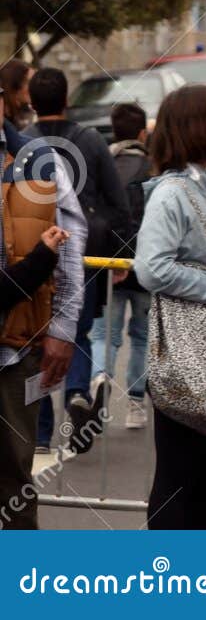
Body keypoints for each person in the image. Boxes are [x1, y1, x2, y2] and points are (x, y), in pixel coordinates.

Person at [132, 84, 206, 529]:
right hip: (187, 358)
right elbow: (151, 268)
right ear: (199, 126)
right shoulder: (172, 194)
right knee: (180, 477)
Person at [27, 68, 132, 451]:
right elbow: (118, 202)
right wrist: (119, 254)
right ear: (67, 99)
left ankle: (39, 433)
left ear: (31, 102)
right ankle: (77, 391)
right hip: (85, 252)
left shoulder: (24, 142)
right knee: (80, 330)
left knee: (35, 339)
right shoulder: (90, 139)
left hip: (34, 253)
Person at [2, 73, 86, 521]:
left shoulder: (37, 159)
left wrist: (63, 328)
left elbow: (69, 244)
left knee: (14, 477)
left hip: (14, 351)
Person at [93, 103, 153, 430]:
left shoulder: (106, 166)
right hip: (145, 266)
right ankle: (136, 403)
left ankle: (99, 379)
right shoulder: (154, 167)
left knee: (106, 335)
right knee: (141, 336)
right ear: (143, 133)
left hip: (108, 264)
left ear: (114, 131)